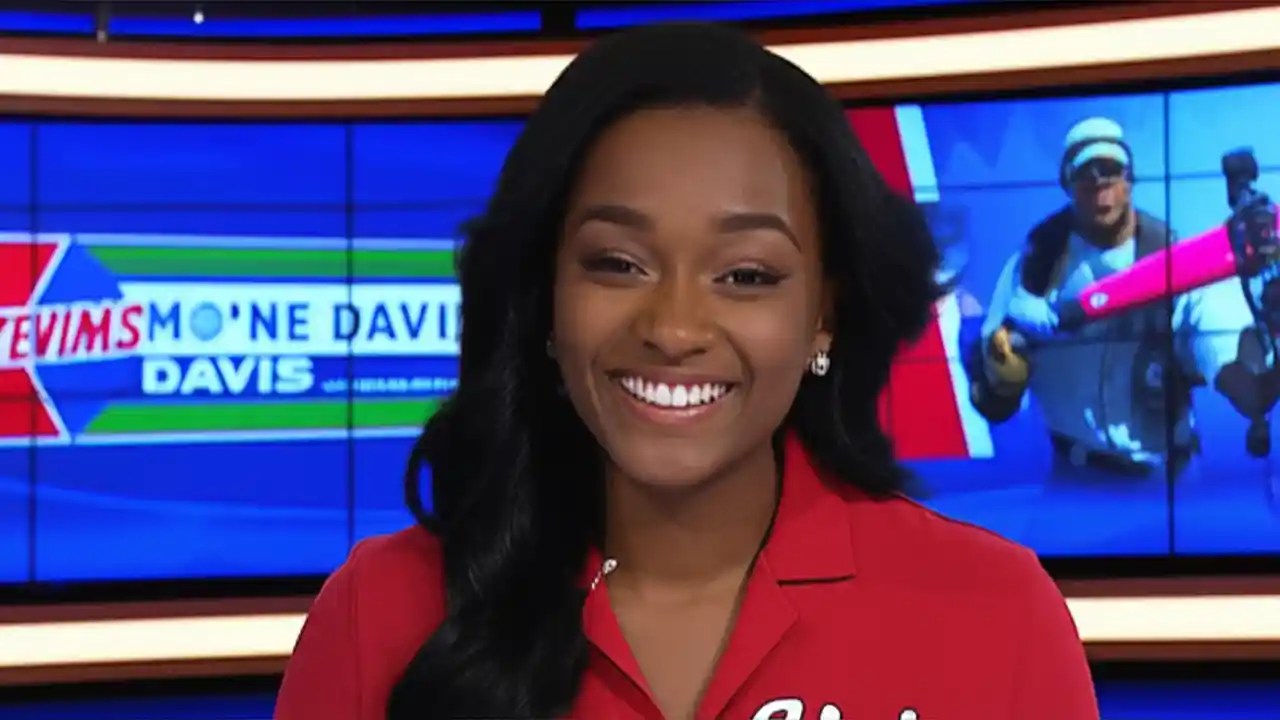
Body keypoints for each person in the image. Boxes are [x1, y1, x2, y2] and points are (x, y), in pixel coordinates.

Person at [276, 23, 1098, 720]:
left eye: (745, 275)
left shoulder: (997, 616)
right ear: (545, 300)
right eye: (617, 263)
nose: (673, 328)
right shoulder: (376, 614)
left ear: (824, 314)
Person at [966, 117, 1255, 546]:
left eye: (1111, 171)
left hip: (1170, 488)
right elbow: (991, 395)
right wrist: (1001, 378)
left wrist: (1256, 370)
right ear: (1066, 182)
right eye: (1086, 173)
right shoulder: (1030, 272)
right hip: (1073, 490)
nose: (1100, 185)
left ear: (1130, 178)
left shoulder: (1180, 264)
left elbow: (1241, 379)